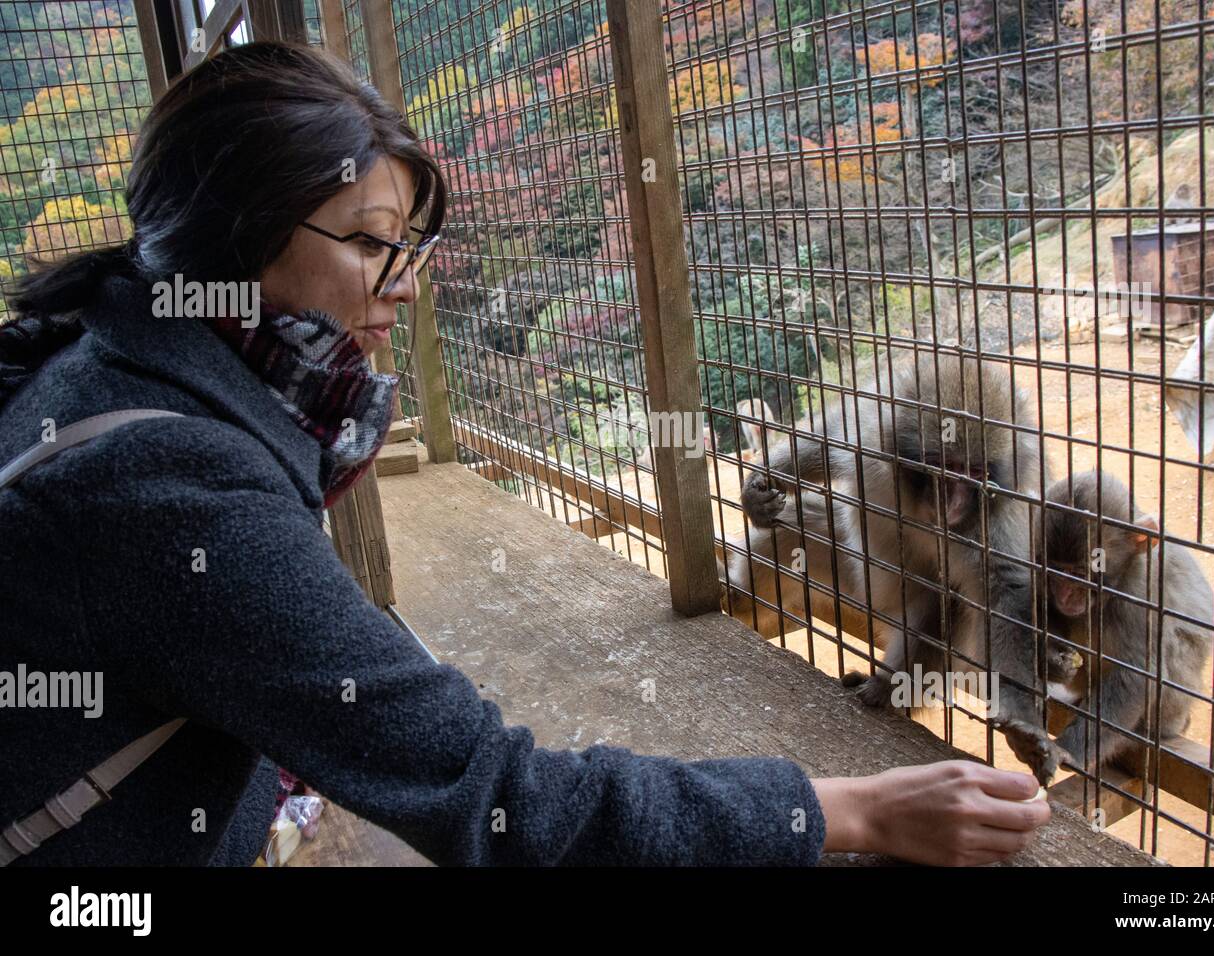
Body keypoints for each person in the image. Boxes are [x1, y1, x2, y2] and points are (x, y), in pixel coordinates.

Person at [0, 41, 1051, 866]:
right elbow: (502, 802)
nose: (404, 285)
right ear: (235, 237)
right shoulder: (173, 488)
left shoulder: (108, 367)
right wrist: (845, 805)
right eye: (372, 243)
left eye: (408, 247)